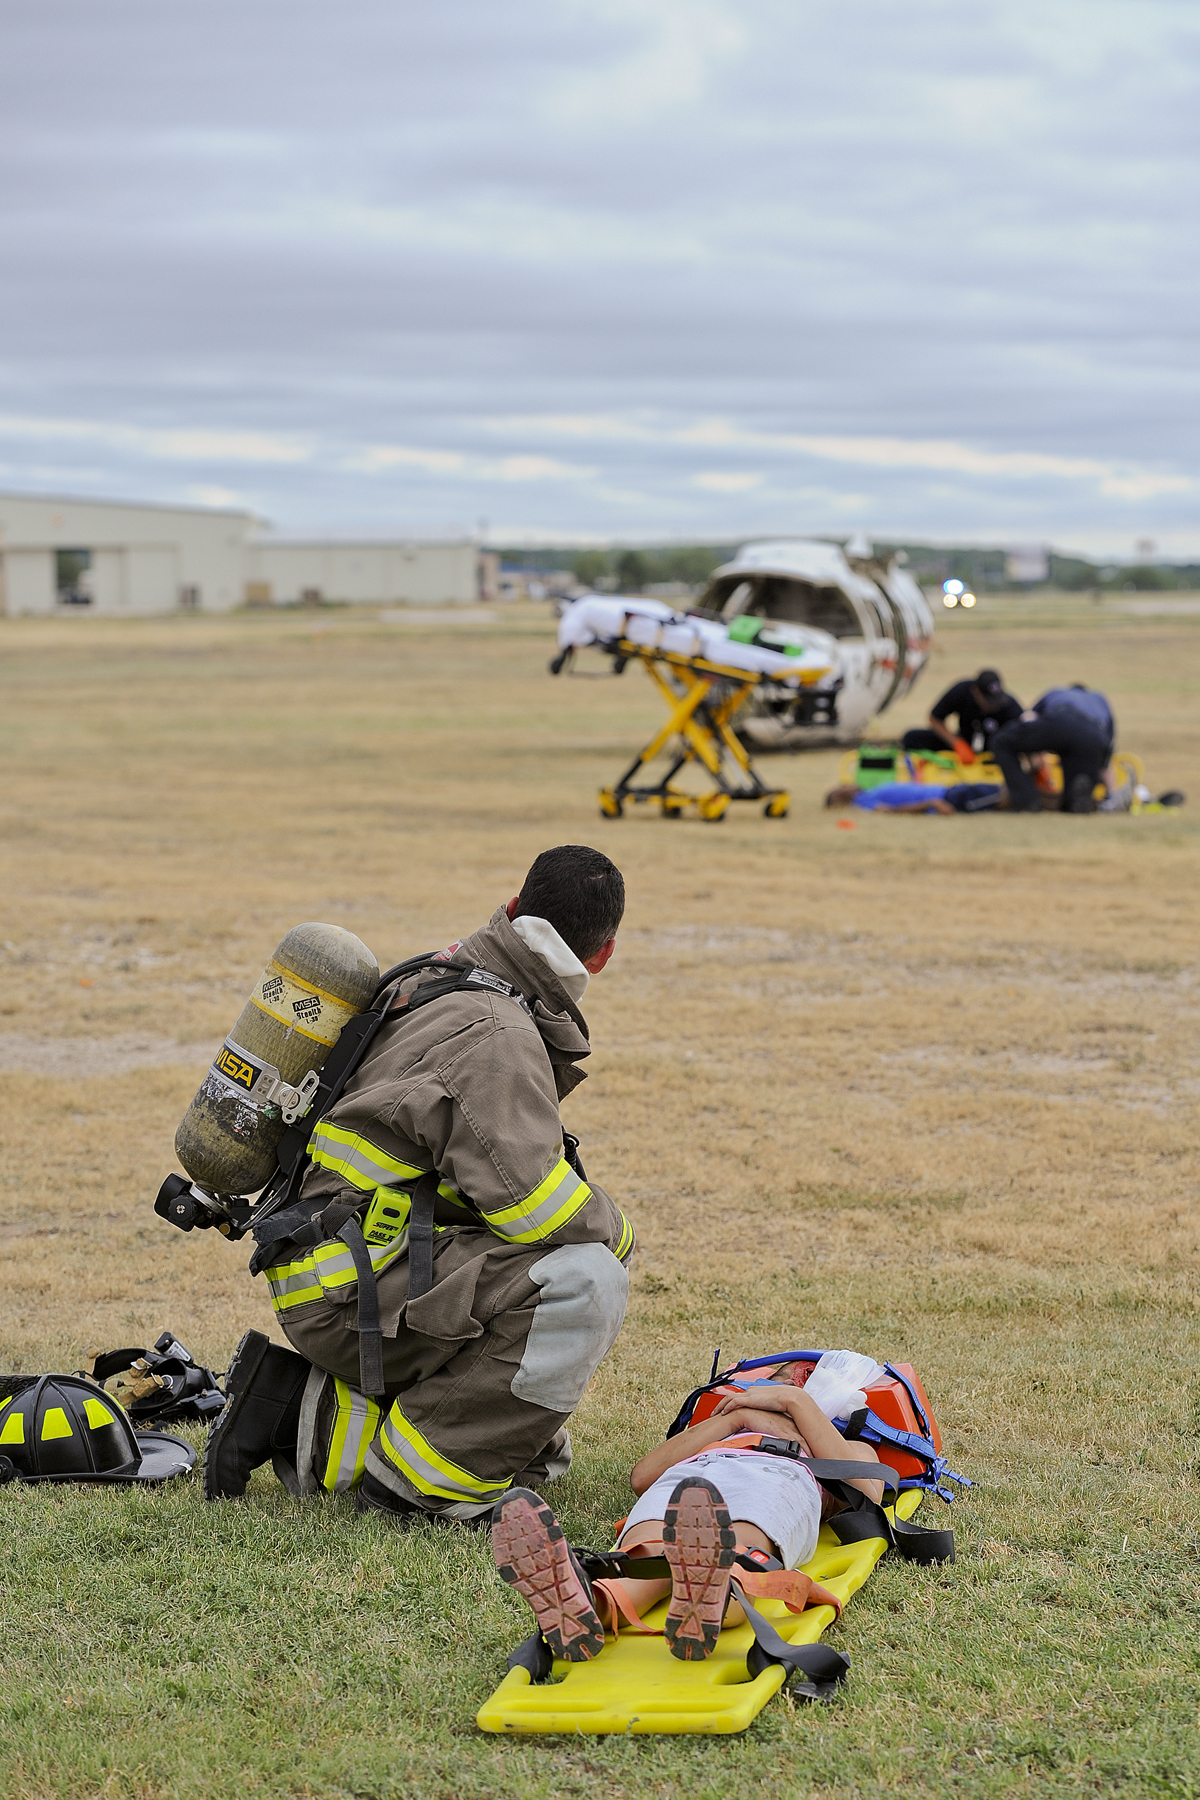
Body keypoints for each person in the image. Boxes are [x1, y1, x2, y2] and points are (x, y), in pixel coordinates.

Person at [204, 845, 636, 1524]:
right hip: (349, 1288)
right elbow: (537, 1211)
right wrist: (621, 1234)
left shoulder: (443, 977)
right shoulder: (495, 1032)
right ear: (603, 955)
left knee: (529, 1451)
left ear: (514, 909)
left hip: (336, 1264)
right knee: (586, 1284)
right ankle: (415, 1491)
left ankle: (291, 1410)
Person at [491, 1362, 883, 1663]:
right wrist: (734, 1419)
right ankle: (587, 1605)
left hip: (777, 1478)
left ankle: (713, 1595)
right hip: (692, 1479)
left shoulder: (845, 1446)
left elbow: (867, 1493)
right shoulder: (727, 1425)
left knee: (736, 1548)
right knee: (644, 1552)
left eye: (797, 1382)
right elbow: (643, 1477)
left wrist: (797, 1404)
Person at [992, 684, 1115, 813]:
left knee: (1002, 741)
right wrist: (1111, 794)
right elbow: (1106, 752)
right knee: (1074, 789)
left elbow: (1029, 718)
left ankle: (1027, 800)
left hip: (1061, 719)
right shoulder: (1100, 698)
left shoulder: (1057, 692)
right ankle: (1073, 800)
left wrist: (1033, 762)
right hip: (1093, 735)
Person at [901, 669, 1022, 759]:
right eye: (987, 701)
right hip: (964, 743)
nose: (992, 706)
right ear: (975, 692)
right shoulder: (962, 691)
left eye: (995, 701)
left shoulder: (1008, 704)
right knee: (912, 737)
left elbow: (1026, 730)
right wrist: (957, 743)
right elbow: (934, 718)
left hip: (994, 751)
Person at [825, 781, 1008, 814]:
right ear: (841, 798)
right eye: (842, 788)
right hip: (946, 799)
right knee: (1003, 797)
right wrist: (932, 803)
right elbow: (890, 811)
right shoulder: (862, 801)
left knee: (1001, 790)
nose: (848, 784)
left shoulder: (867, 793)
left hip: (947, 791)